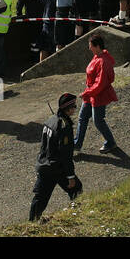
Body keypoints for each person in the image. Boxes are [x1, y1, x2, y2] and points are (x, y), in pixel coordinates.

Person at [28, 92, 82, 220]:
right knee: (76, 189)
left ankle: (32, 222)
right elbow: (66, 155)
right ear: (68, 109)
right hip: (57, 168)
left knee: (40, 198)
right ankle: (77, 216)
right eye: (74, 106)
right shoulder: (64, 126)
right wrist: (70, 176)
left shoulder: (50, 120)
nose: (75, 108)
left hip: (44, 165)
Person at [73, 33, 118, 152]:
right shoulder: (98, 56)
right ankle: (77, 144)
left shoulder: (103, 61)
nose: (89, 48)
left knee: (98, 121)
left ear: (97, 46)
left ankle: (111, 142)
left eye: (91, 46)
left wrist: (87, 93)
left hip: (98, 95)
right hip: (92, 94)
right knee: (82, 118)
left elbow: (100, 83)